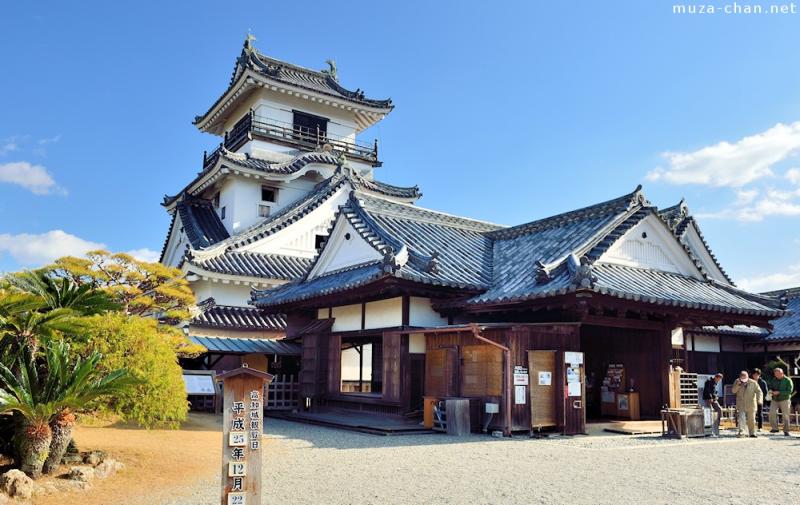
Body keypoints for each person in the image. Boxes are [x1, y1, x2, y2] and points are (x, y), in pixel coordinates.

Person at [732, 370, 763, 438]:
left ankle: (752, 433)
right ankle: (742, 432)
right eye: (742, 378)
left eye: (745, 377)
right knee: (742, 418)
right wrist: (738, 385)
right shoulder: (737, 381)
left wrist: (759, 400)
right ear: (740, 377)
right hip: (741, 403)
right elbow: (733, 391)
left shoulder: (753, 382)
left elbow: (759, 392)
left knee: (751, 419)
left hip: (751, 404)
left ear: (748, 376)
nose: (744, 379)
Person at [768, 367, 794, 436]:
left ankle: (786, 430)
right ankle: (775, 428)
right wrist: (770, 390)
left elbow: (789, 392)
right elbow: (770, 386)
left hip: (785, 399)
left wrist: (779, 392)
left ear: (782, 373)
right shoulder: (773, 380)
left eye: (778, 374)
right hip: (775, 399)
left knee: (785, 415)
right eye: (775, 374)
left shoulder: (788, 380)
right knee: (772, 413)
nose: (776, 375)